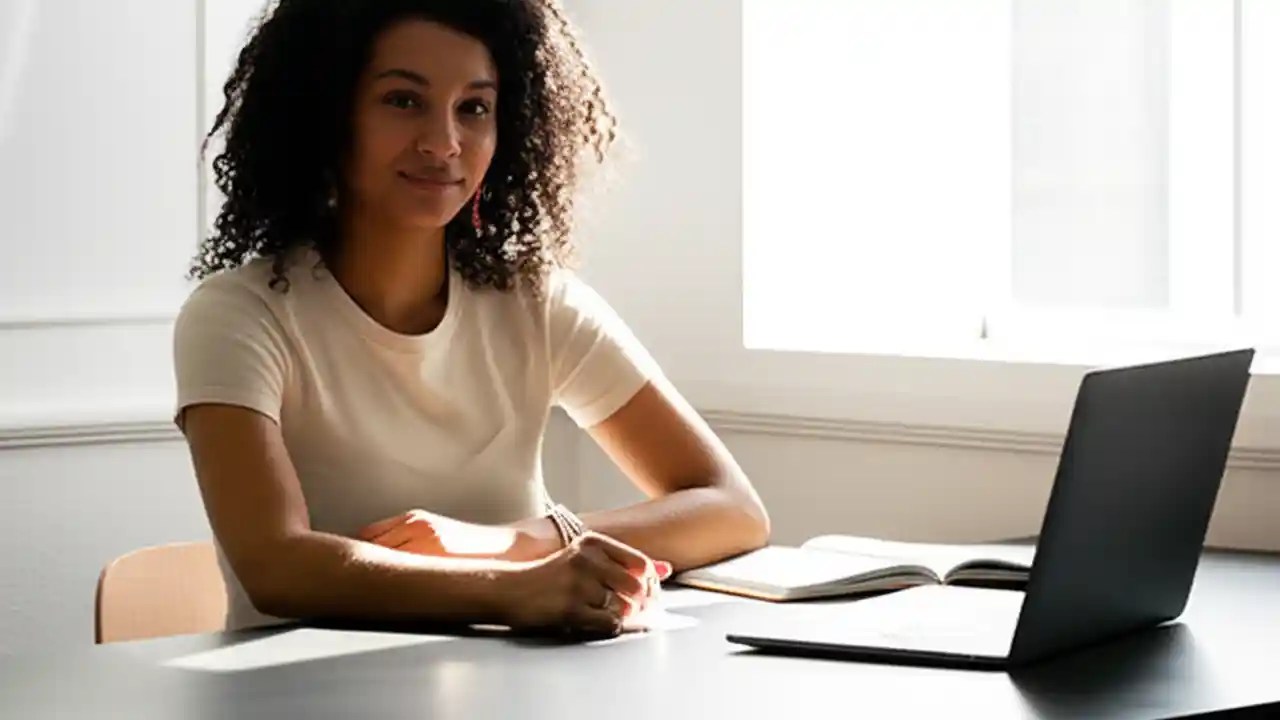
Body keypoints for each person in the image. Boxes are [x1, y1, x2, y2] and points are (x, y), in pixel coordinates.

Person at [174, 0, 770, 637]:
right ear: (326, 113)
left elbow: (733, 509)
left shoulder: (536, 304)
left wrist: (508, 543)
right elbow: (276, 567)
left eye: (474, 108)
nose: (443, 143)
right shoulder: (239, 315)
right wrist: (512, 591)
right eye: (403, 101)